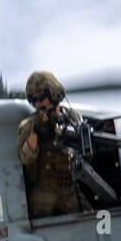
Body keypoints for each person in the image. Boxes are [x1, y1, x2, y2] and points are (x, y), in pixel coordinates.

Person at [17, 71, 83, 219]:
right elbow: (25, 158)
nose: (38, 103)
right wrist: (36, 135)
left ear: (53, 95)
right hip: (43, 189)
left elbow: (84, 150)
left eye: (42, 98)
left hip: (69, 186)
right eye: (34, 100)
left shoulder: (72, 117)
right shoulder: (29, 125)